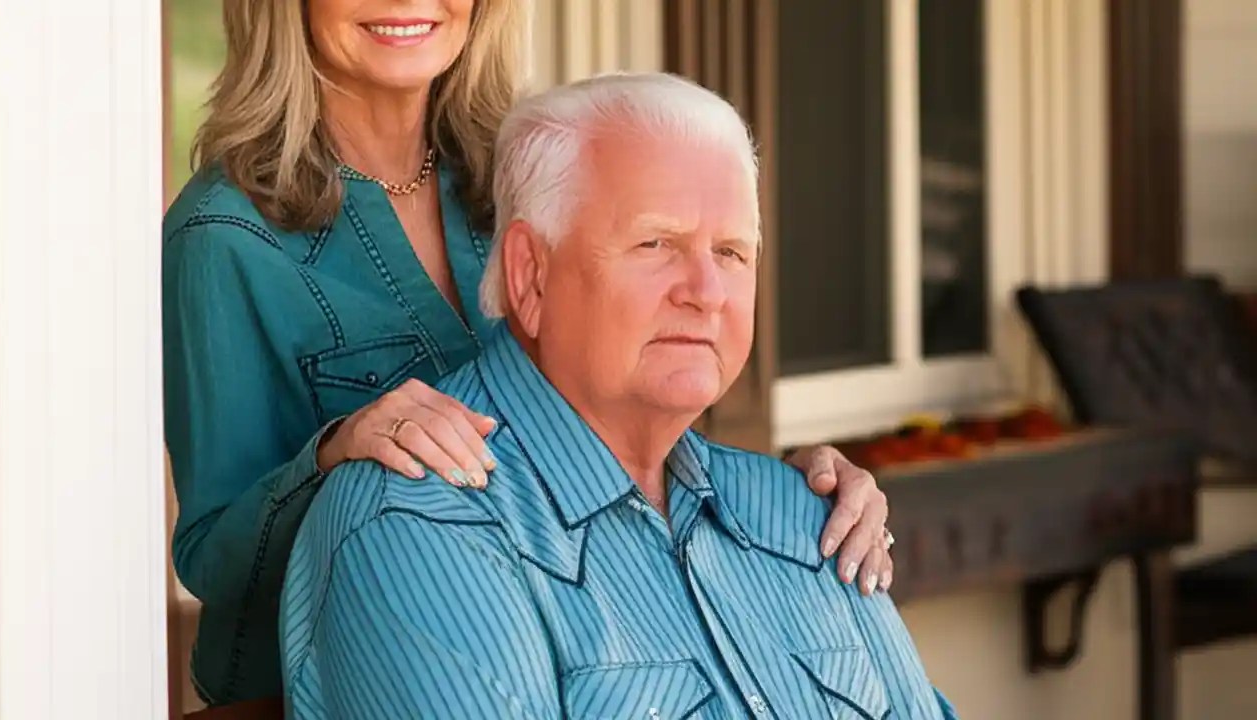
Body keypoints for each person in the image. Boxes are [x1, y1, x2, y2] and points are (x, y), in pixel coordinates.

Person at [164, 0, 893, 706]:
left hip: (587, 651)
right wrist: (332, 454)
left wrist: (786, 499)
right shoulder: (222, 236)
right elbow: (210, 557)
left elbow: (617, 405)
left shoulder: (518, 175)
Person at [280, 72, 956, 720]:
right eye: (656, 243)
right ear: (530, 275)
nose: (707, 292)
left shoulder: (805, 515)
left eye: (730, 253)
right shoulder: (416, 528)